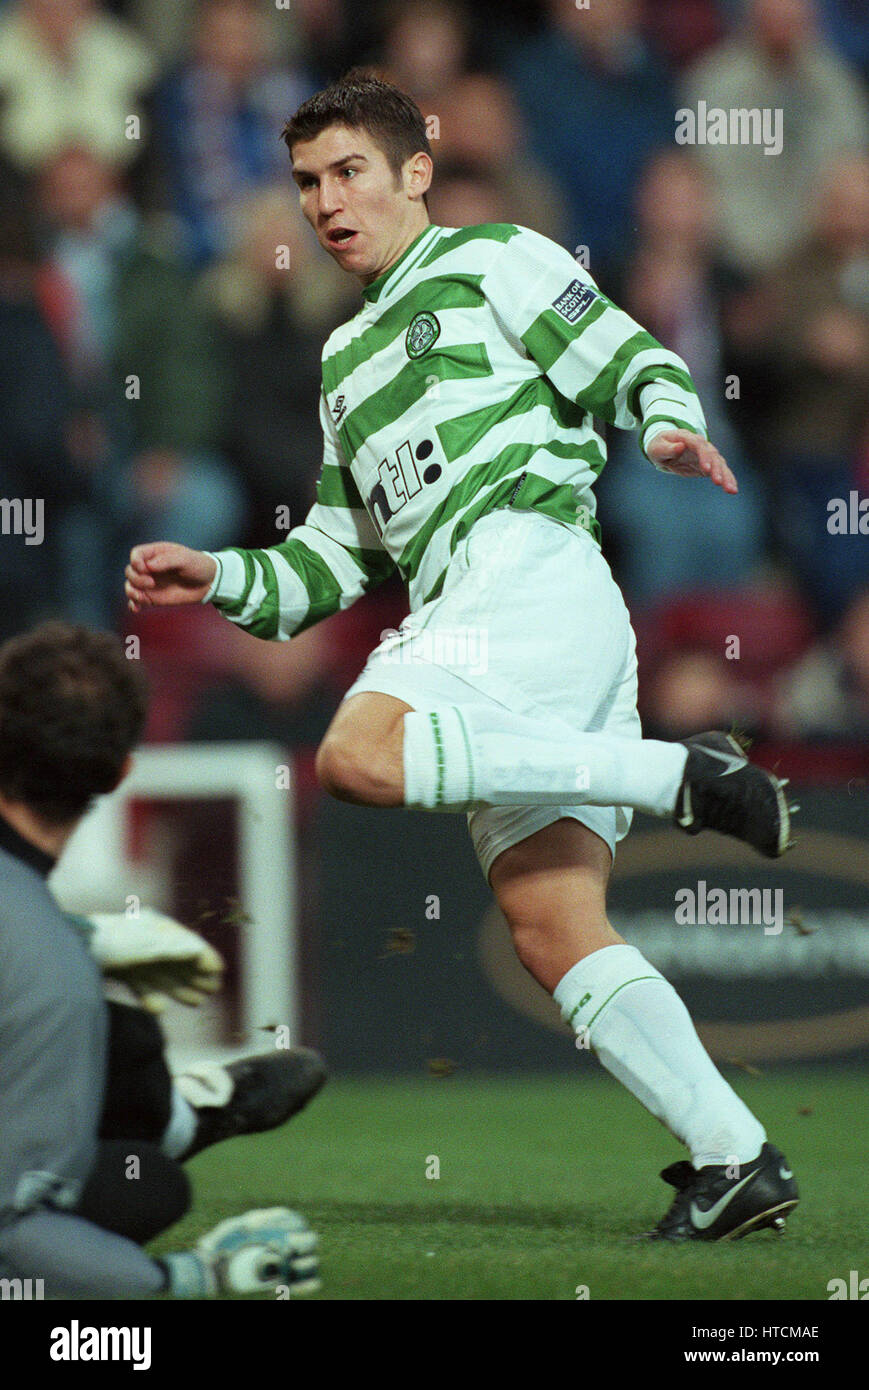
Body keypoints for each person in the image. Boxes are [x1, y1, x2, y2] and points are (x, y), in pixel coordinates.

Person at [125, 71, 800, 1242]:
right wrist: (221, 575)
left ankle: (674, 773)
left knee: (354, 752)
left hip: (524, 572)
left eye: (348, 173)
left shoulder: (495, 258)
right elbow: (329, 568)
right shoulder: (342, 366)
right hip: (504, 626)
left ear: (414, 174)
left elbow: (621, 352)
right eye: (305, 183)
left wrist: (663, 423)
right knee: (549, 922)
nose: (326, 203)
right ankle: (735, 1157)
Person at [0, 621, 325, 1298]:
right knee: (142, 1186)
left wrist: (80, 939)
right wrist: (189, 1279)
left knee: (134, 1166)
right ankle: (181, 1118)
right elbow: (14, 1224)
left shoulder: (43, 948)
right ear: (123, 772)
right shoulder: (50, 973)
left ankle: (181, 1117)